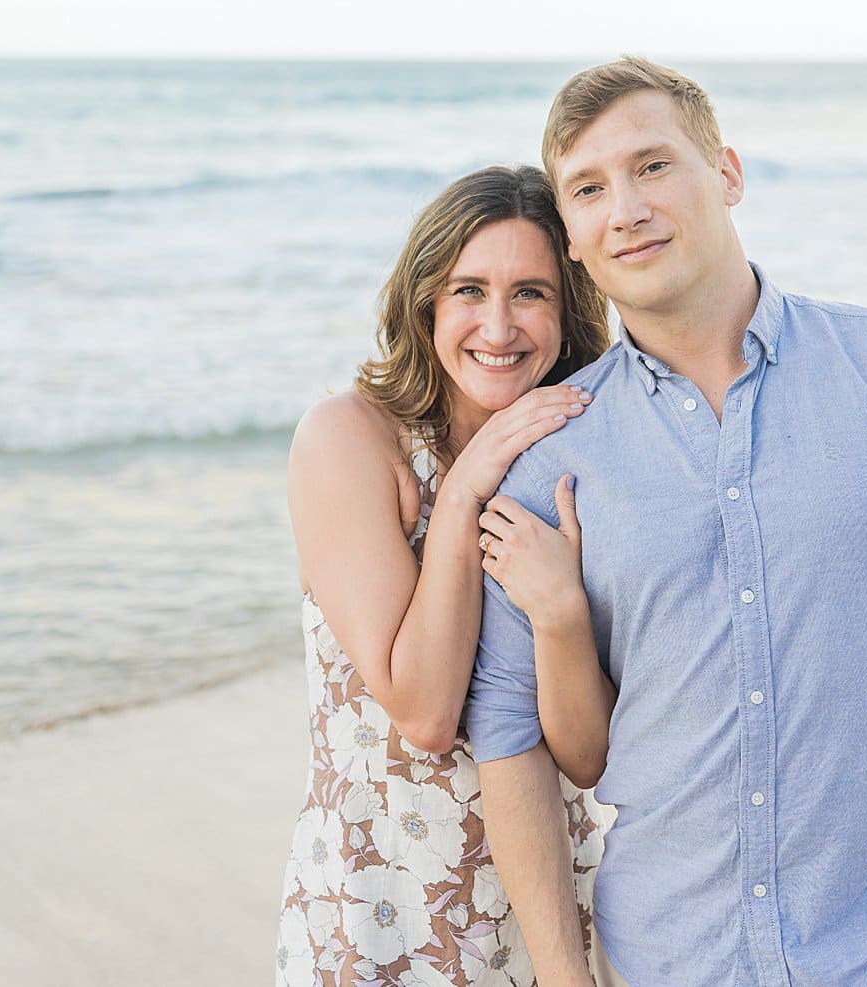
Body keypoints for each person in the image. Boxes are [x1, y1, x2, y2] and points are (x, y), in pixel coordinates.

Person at [462, 58, 867, 987]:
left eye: (654, 166)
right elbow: (506, 726)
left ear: (728, 174)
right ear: (575, 241)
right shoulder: (550, 454)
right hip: (664, 963)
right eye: (588, 189)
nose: (625, 207)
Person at [275, 164, 619, 987]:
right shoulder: (351, 441)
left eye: (531, 292)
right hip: (381, 910)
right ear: (425, 301)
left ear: (568, 311)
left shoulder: (571, 461)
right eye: (469, 289)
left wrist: (563, 612)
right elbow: (425, 709)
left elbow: (588, 754)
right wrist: (464, 487)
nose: (498, 325)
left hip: (544, 910)